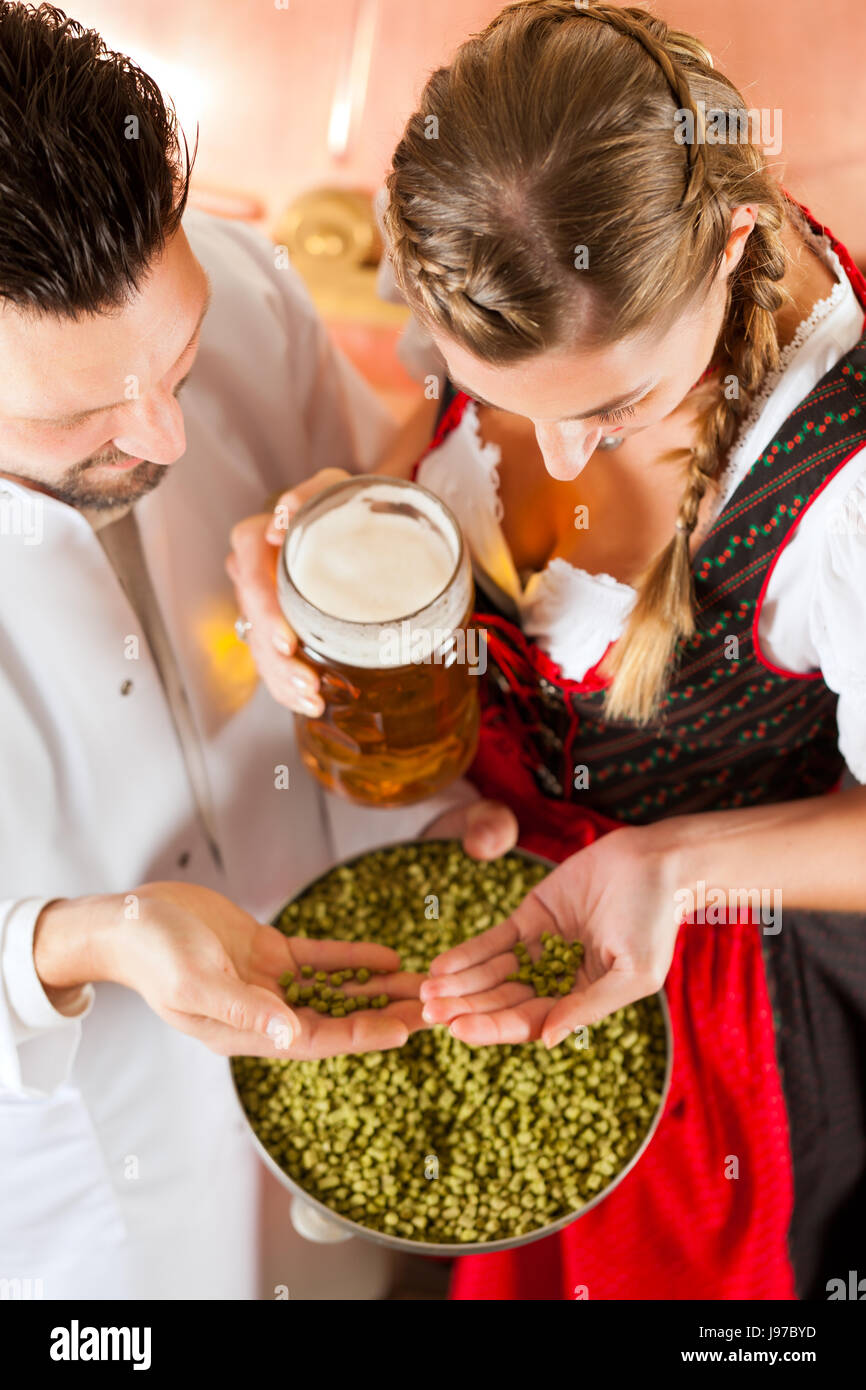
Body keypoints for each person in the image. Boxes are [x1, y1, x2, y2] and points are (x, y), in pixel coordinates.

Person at [281, 0, 866, 1299]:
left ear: (728, 245)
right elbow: (427, 436)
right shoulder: (498, 240)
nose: (552, 456)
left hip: (705, 964)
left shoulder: (847, 500)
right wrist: (347, 532)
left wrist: (668, 865)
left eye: (611, 407)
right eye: (504, 398)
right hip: (504, 890)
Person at [0, 3, 514, 1301]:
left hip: (354, 1052)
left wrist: (422, 810)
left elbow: (400, 532)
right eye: (85, 413)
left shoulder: (248, 285)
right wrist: (73, 944)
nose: (165, 437)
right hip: (97, 1220)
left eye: (175, 354)